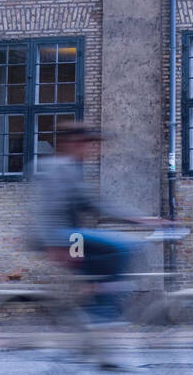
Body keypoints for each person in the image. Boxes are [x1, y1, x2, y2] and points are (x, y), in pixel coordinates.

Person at [28, 121, 153, 327]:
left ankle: (93, 301)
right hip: (59, 236)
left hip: (67, 234)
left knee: (113, 253)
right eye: (88, 144)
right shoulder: (56, 168)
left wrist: (142, 219)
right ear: (73, 143)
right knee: (122, 247)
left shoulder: (71, 167)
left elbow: (92, 204)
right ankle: (100, 311)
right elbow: (46, 210)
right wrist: (57, 246)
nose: (91, 149)